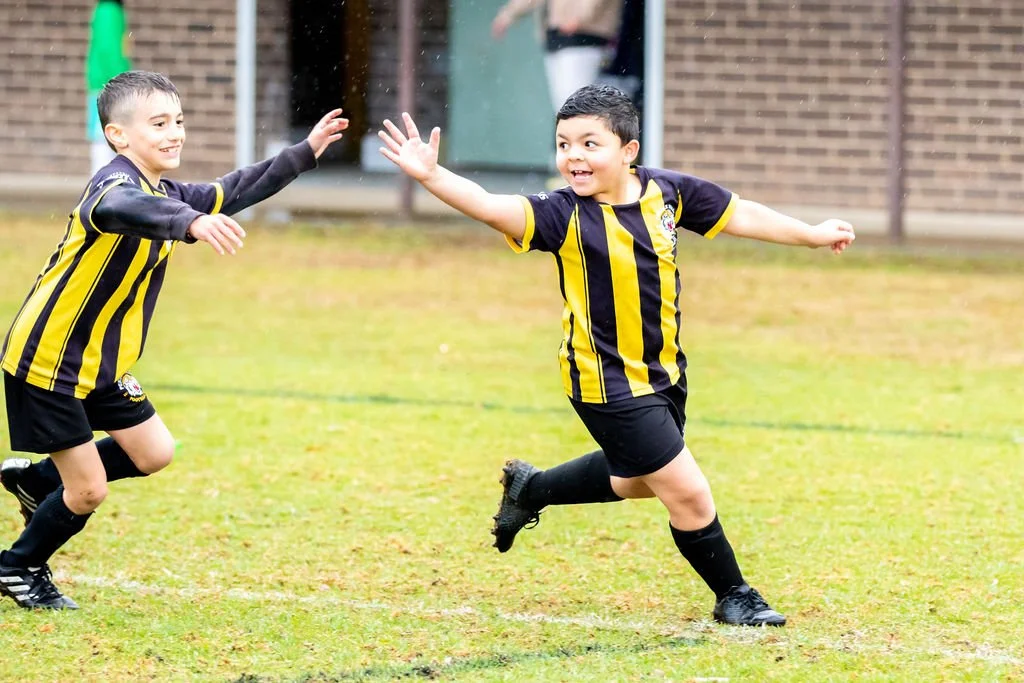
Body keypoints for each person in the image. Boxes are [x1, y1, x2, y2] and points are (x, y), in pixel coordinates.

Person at [377, 85, 854, 626]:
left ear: (628, 151)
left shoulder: (668, 194)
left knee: (638, 480)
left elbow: (741, 215)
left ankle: (531, 487)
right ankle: (734, 595)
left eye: (589, 143)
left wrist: (813, 235)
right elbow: (491, 208)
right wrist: (432, 176)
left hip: (665, 373)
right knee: (689, 494)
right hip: (606, 382)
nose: (573, 157)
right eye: (563, 144)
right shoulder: (561, 215)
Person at [0, 70, 348, 610]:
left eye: (178, 121)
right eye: (159, 123)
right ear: (118, 136)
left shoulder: (164, 190)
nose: (175, 133)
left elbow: (232, 189)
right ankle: (18, 566)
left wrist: (303, 153)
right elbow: (127, 211)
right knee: (89, 490)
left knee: (155, 452)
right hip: (50, 361)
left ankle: (39, 481)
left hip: (102, 363)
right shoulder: (112, 187)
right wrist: (190, 223)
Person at [492, 0, 623, 114]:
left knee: (579, 107)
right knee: (566, 107)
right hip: (556, 37)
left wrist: (580, 17)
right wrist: (508, 14)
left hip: (585, 36)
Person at [86, 0, 132, 173]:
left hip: (104, 83)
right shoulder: (109, 11)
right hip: (108, 86)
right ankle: (103, 188)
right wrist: (121, 82)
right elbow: (109, 52)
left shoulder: (106, 9)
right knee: (106, 139)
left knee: (107, 138)